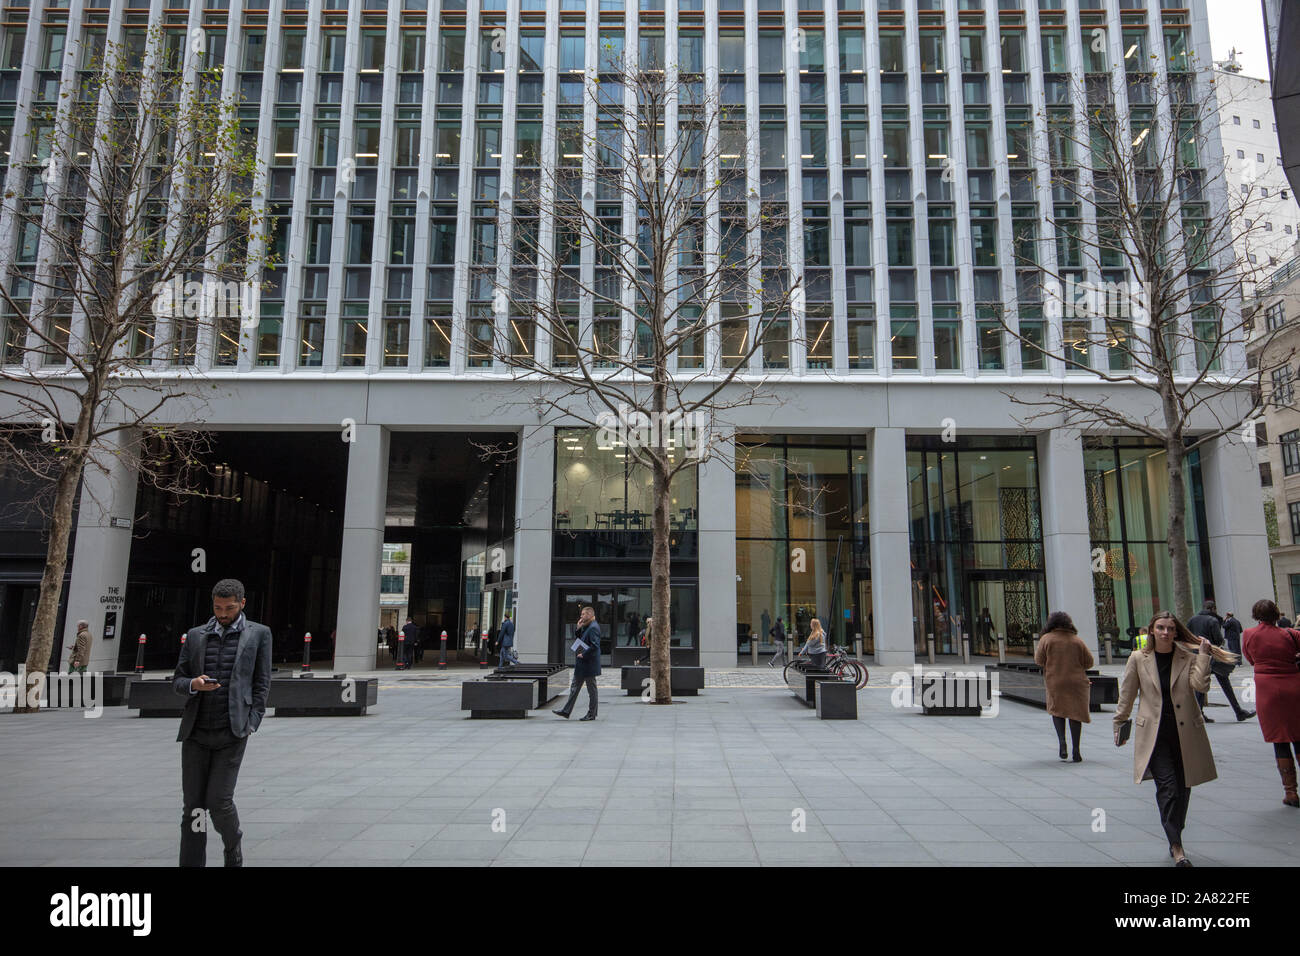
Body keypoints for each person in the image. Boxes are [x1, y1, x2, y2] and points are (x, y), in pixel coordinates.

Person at [1113, 610, 1233, 867]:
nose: (1165, 632)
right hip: (1154, 736)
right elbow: (1127, 694)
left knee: (1183, 788)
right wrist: (1120, 723)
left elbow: (1200, 686)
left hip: (1185, 733)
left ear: (1176, 631)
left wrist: (1203, 655)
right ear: (1152, 630)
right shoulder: (1138, 658)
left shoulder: (1187, 657)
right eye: (1161, 628)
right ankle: (1177, 847)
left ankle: (1175, 831)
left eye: (1170, 628)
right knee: (1167, 788)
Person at [172, 579, 272, 867]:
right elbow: (177, 680)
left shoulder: (259, 634)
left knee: (218, 802)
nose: (223, 613)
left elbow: (262, 682)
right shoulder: (195, 636)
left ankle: (232, 844)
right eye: (217, 607)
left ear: (242, 603)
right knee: (193, 808)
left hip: (232, 731)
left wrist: (253, 720)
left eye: (229, 608)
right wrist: (193, 683)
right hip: (196, 732)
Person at [1242, 599, 1300, 807]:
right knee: (1298, 736)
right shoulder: (1290, 634)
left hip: (1267, 689)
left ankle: (1291, 791)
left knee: (1280, 739)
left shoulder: (1249, 634)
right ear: (1276, 614)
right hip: (1294, 686)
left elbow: (1250, 658)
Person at [1035, 611, 1094, 762]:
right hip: (1077, 682)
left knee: (1057, 710)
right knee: (1076, 714)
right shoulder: (1076, 640)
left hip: (1056, 681)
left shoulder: (1046, 639)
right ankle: (1076, 749)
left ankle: (1062, 742)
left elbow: (1039, 660)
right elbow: (1089, 662)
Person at [1188, 599, 1254, 723]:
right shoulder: (1212, 620)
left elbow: (1189, 637)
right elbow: (1218, 640)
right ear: (1213, 609)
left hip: (1197, 656)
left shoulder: (1192, 620)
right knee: (1225, 684)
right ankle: (1238, 711)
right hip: (1212, 657)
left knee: (1201, 686)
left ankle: (1199, 713)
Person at [554, 605, 600, 720]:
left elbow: (595, 646)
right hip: (583, 664)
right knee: (574, 687)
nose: (581, 616)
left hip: (588, 664)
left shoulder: (593, 627)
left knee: (592, 690)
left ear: (589, 614)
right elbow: (582, 639)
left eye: (583, 614)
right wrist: (578, 628)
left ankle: (592, 714)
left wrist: (584, 654)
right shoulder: (587, 626)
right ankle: (566, 711)